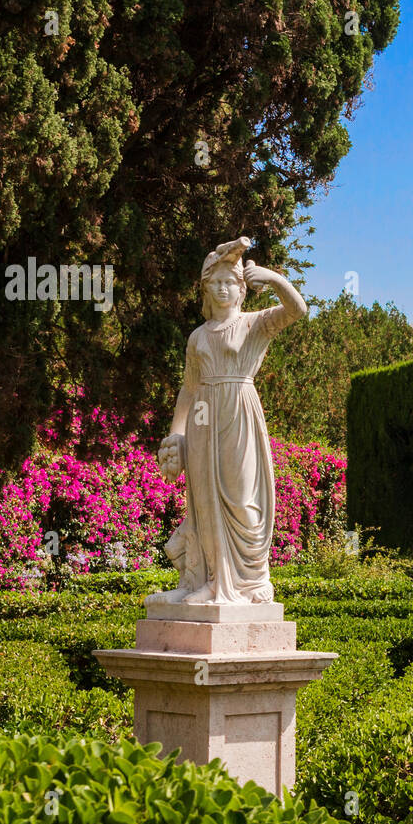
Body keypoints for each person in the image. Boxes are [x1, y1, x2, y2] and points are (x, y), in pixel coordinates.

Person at [147, 237, 308, 605]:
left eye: (229, 282)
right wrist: (175, 435)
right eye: (215, 282)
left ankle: (250, 584)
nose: (222, 288)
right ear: (206, 289)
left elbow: (297, 309)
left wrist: (271, 277)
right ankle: (205, 581)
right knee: (204, 501)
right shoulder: (197, 337)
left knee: (240, 498)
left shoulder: (255, 325)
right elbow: (188, 390)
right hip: (203, 420)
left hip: (239, 414)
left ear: (240, 289)